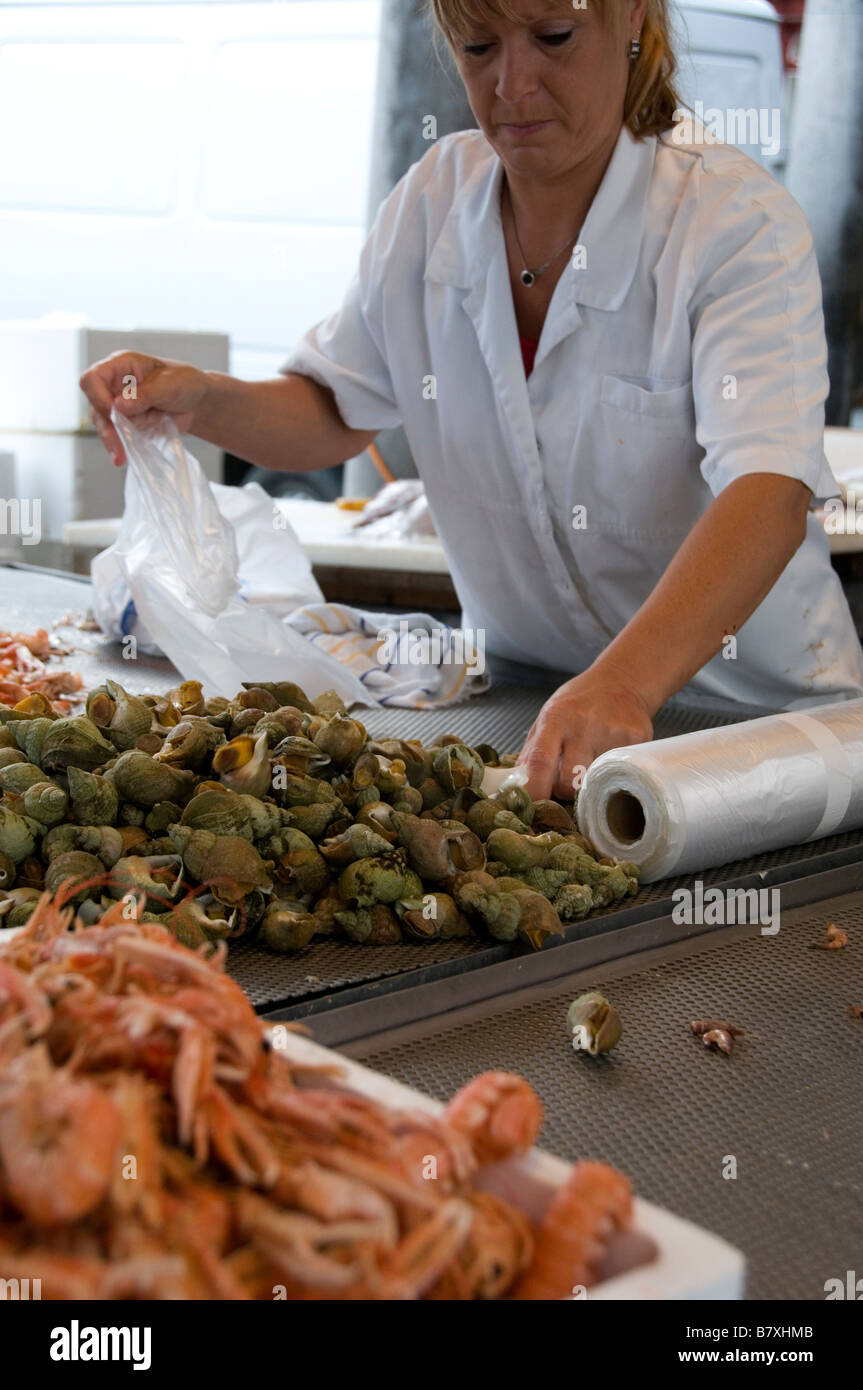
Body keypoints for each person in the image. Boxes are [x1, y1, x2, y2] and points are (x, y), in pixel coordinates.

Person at [81, 0, 863, 802]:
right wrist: (202, 399)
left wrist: (624, 683)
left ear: (632, 16)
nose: (512, 83)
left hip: (754, 729)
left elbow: (766, 490)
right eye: (478, 46)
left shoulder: (731, 222)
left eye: (552, 38)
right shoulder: (433, 203)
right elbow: (333, 406)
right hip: (528, 703)